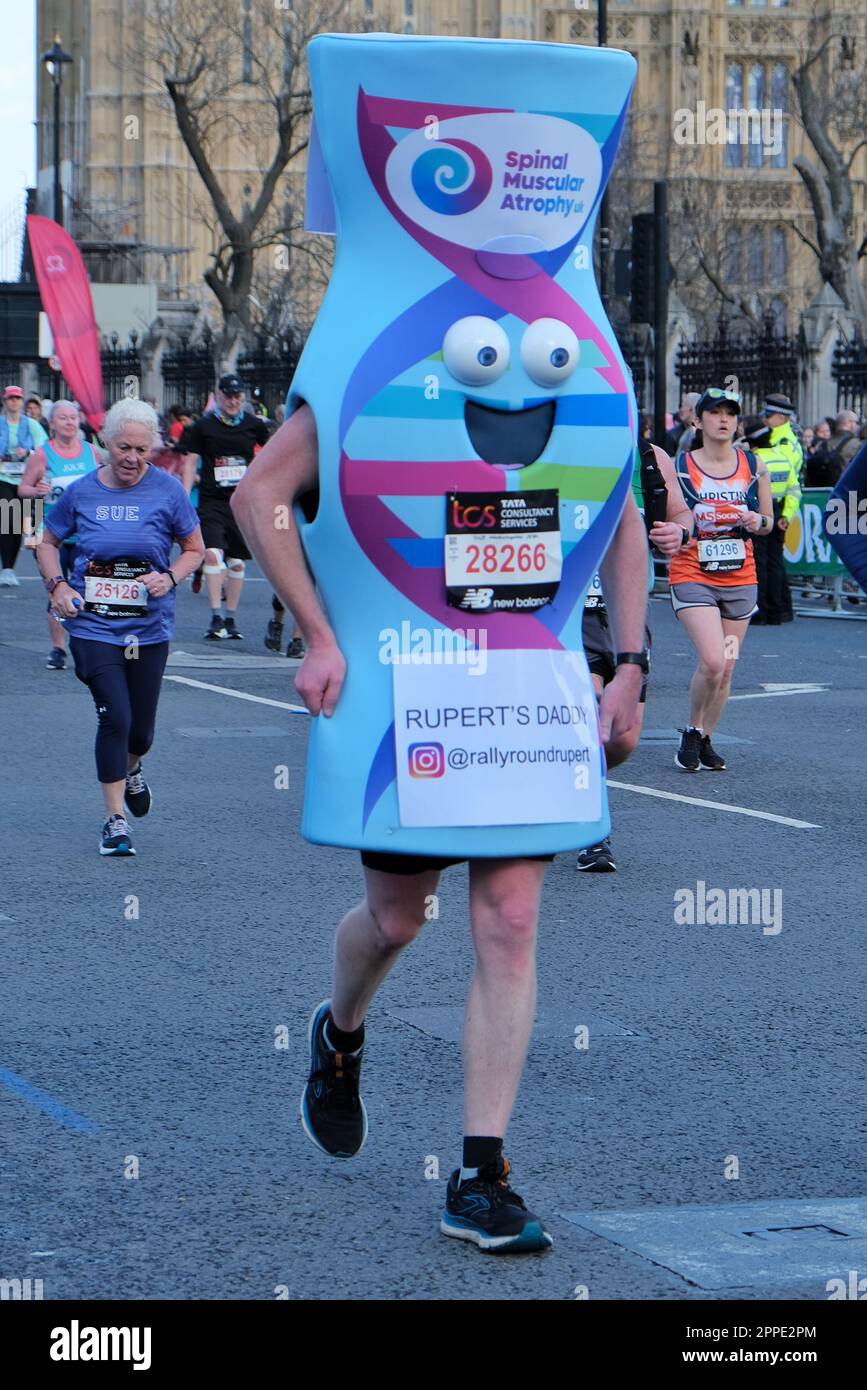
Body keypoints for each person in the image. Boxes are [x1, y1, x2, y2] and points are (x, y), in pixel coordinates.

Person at [36, 399, 204, 855]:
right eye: (123, 446)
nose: (131, 457)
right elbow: (47, 541)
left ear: (152, 448)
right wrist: (57, 587)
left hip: (147, 629)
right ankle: (114, 821)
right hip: (92, 627)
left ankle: (132, 768)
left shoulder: (168, 492)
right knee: (116, 716)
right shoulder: (82, 492)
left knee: (142, 732)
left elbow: (194, 548)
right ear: (105, 442)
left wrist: (168, 577)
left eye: (141, 449)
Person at [577, 436, 693, 871]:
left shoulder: (649, 457)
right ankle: (594, 831)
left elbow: (682, 515)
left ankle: (559, 782)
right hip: (571, 614)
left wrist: (678, 531)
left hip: (626, 614)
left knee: (623, 737)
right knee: (589, 720)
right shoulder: (555, 447)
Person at [665, 388, 773, 772]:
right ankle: (692, 731)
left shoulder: (754, 465)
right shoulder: (678, 467)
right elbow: (671, 518)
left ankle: (705, 736)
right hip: (693, 570)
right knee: (712, 659)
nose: (723, 420)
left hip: (740, 576)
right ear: (697, 421)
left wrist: (755, 521)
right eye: (714, 413)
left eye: (730, 413)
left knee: (727, 665)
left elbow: (768, 523)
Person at [177, 373, 270, 640]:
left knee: (237, 562)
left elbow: (272, 453)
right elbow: (190, 461)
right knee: (213, 554)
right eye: (228, 396)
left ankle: (231, 619)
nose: (233, 401)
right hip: (211, 500)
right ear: (218, 396)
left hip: (240, 502)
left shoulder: (254, 425)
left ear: (244, 397)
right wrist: (184, 495)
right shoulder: (203, 426)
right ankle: (215, 616)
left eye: (237, 396)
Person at [18, 400, 100, 669]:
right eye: (62, 418)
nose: (69, 422)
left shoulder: (92, 452)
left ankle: (86, 643)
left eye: (73, 418)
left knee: (85, 591)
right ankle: (58, 649)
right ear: (51, 424)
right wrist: (37, 491)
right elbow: (23, 489)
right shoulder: (42, 455)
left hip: (86, 534)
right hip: (51, 535)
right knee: (56, 590)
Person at [741, 414, 801, 625]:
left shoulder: (753, 460)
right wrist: (786, 515)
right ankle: (777, 612)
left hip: (759, 512)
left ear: (753, 441)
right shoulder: (783, 457)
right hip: (781, 510)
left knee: (759, 563)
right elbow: (795, 489)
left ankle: (760, 612)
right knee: (776, 563)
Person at [0, 384, 48, 585]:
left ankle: (44, 570)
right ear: (5, 400)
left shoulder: (31, 424)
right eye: (10, 398)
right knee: (7, 520)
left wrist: (27, 453)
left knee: (28, 527)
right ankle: (7, 569)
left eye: (17, 398)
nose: (14, 402)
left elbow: (44, 447)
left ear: (21, 402)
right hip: (4, 477)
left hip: (27, 479)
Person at [807, 408, 860, 488]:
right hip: (845, 491)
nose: (857, 425)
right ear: (848, 423)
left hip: (822, 491)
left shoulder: (822, 444)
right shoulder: (857, 444)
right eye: (856, 422)